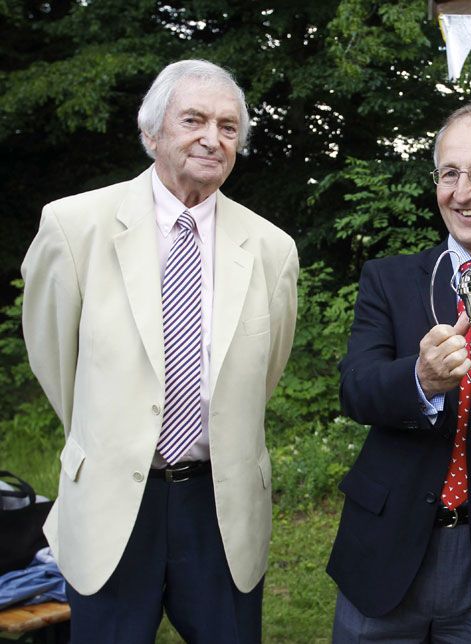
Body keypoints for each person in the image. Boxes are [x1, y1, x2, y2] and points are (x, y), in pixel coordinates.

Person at [21, 60, 299, 643]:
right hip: (111, 504)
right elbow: (53, 360)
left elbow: (265, 372)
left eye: (228, 127)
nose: (212, 138)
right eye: (193, 120)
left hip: (220, 506)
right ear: (151, 134)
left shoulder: (272, 249)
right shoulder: (74, 226)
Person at [327, 102, 471, 643]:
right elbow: (355, 389)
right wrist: (420, 381)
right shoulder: (389, 279)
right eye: (449, 173)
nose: (461, 191)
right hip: (387, 548)